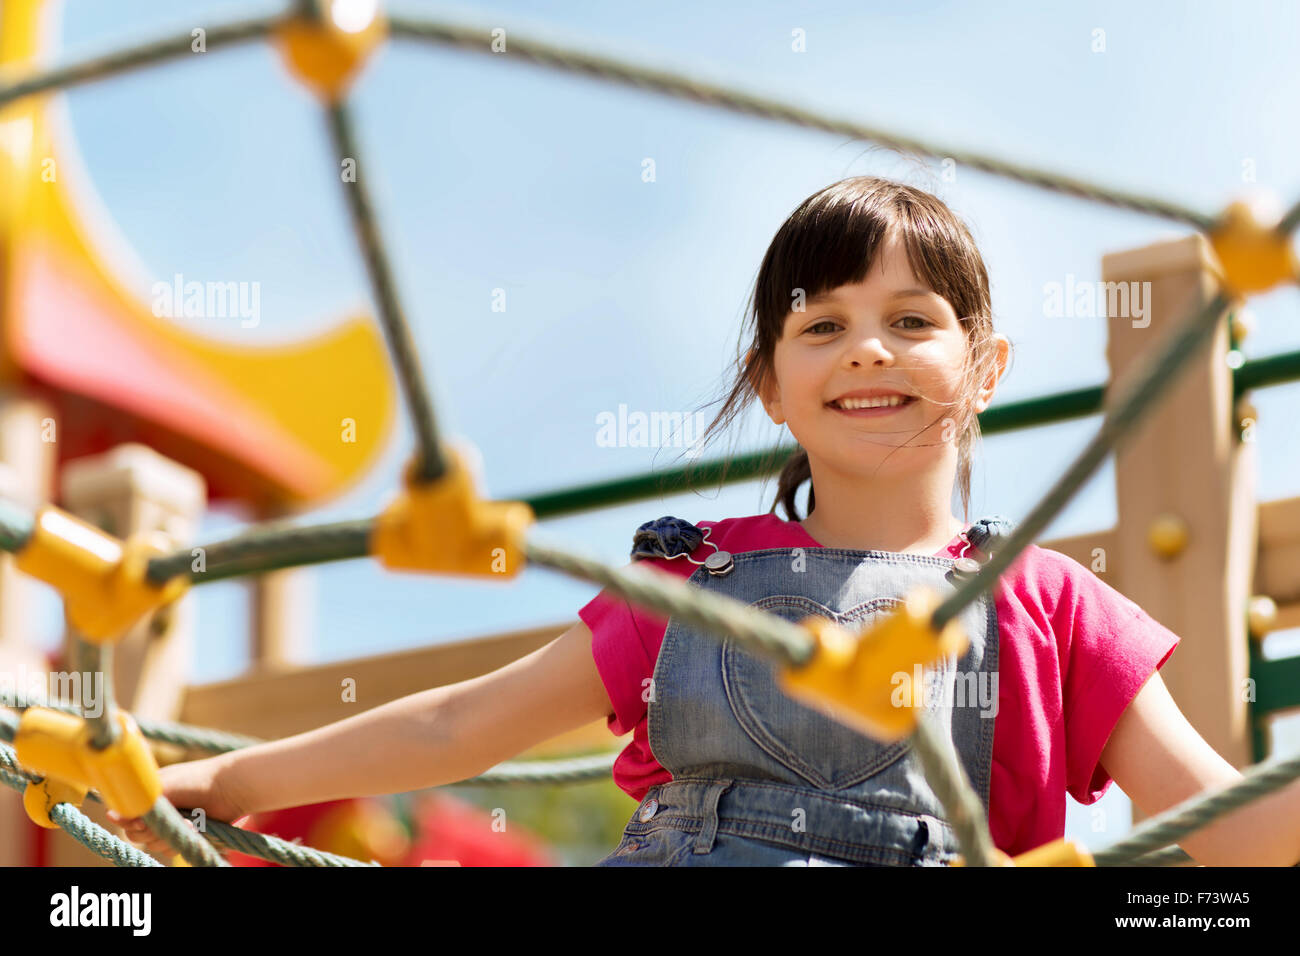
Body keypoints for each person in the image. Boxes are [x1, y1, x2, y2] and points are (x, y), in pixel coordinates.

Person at [110, 176, 1300, 866]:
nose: (867, 349)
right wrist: (236, 778)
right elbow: (460, 724)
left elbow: (1216, 809)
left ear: (986, 365)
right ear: (772, 382)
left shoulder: (1047, 606)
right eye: (820, 325)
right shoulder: (700, 581)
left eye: (912, 319)